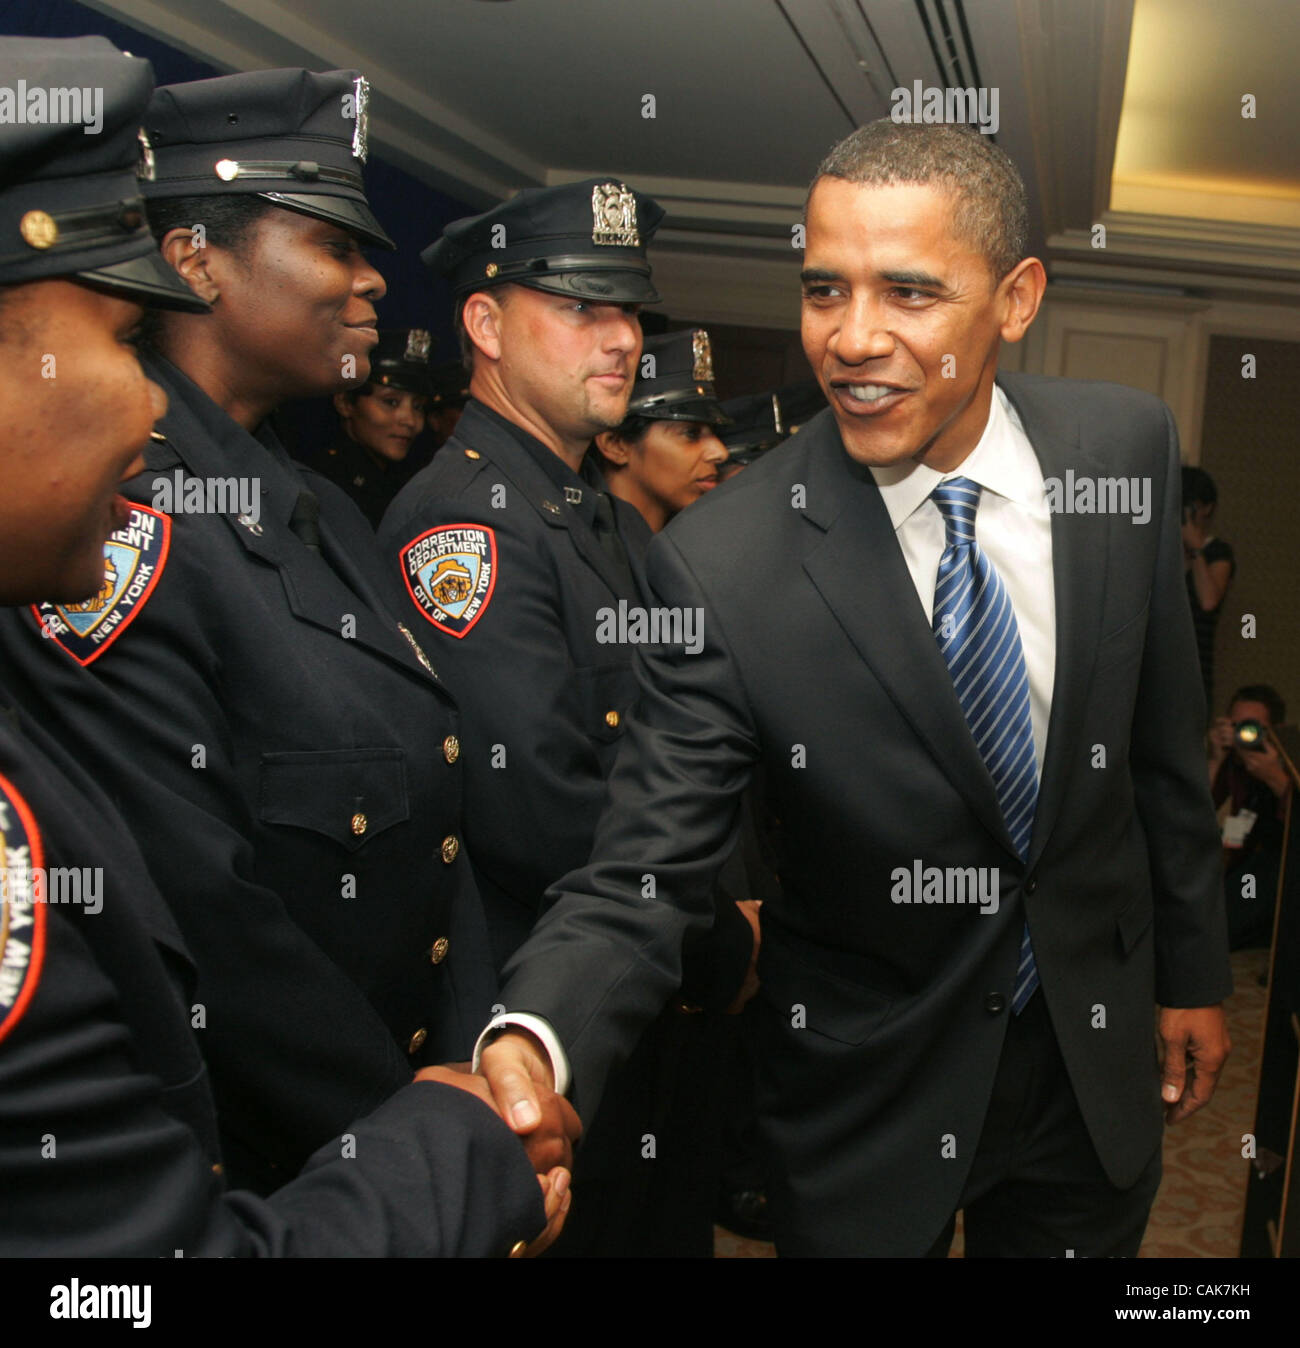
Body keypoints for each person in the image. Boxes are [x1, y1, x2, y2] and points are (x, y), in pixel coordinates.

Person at [476, 119, 1233, 1258]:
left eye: (911, 292)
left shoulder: (1119, 449)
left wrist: (1190, 974)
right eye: (824, 289)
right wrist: (535, 1035)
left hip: (1088, 1057)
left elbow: (1163, 752)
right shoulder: (726, 560)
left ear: (1015, 298)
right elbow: (642, 867)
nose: (854, 338)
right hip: (869, 1084)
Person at [0, 34, 566, 1257]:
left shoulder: (310, 499)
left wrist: (470, 1072)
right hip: (291, 1169)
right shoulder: (119, 534)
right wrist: (432, 1143)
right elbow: (215, 923)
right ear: (192, 259)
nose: (368, 284)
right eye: (333, 244)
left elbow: (443, 796)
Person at [379, 180, 754, 1256]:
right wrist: (718, 936)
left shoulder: (593, 514)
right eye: (581, 308)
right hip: (533, 1014)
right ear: (486, 327)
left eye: (630, 311)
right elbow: (530, 801)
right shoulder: (464, 521)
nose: (623, 338)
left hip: (629, 995)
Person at [592, 327, 730, 532]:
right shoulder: (581, 551)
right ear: (616, 445)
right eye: (691, 434)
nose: (721, 453)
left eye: (715, 434)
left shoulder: (678, 551)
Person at [315, 327, 435, 528]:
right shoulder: (322, 484)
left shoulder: (413, 482)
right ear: (345, 403)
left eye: (418, 406)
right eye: (391, 402)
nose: (410, 420)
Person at [1209, 684, 1292, 950]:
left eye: (1252, 727)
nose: (1244, 735)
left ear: (1276, 731)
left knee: (1223, 929)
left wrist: (1274, 777)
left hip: (1286, 864)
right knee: (1207, 921)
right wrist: (1216, 758)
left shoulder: (1291, 760)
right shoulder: (1234, 762)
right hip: (1247, 861)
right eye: (1237, 725)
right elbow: (1199, 809)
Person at [1182, 465, 1235, 713]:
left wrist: (1196, 548)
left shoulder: (1217, 552)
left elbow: (1208, 601)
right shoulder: (1160, 550)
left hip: (1193, 673)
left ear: (1207, 508)